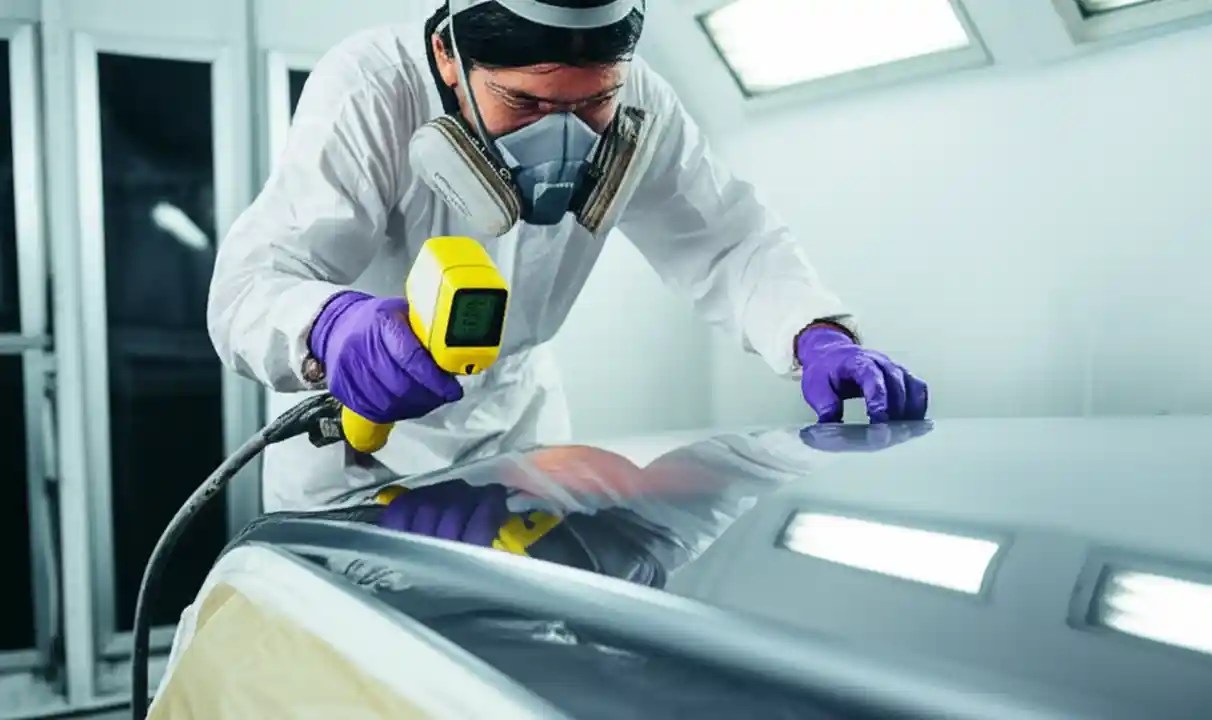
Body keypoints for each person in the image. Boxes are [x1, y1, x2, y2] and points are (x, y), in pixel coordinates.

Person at [207, 0, 929, 516]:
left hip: (519, 426)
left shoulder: (641, 102)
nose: (564, 143)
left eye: (593, 106)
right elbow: (248, 286)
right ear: (446, 59)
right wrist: (330, 325)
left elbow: (728, 238)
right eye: (523, 105)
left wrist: (814, 333)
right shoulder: (372, 86)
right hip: (357, 442)